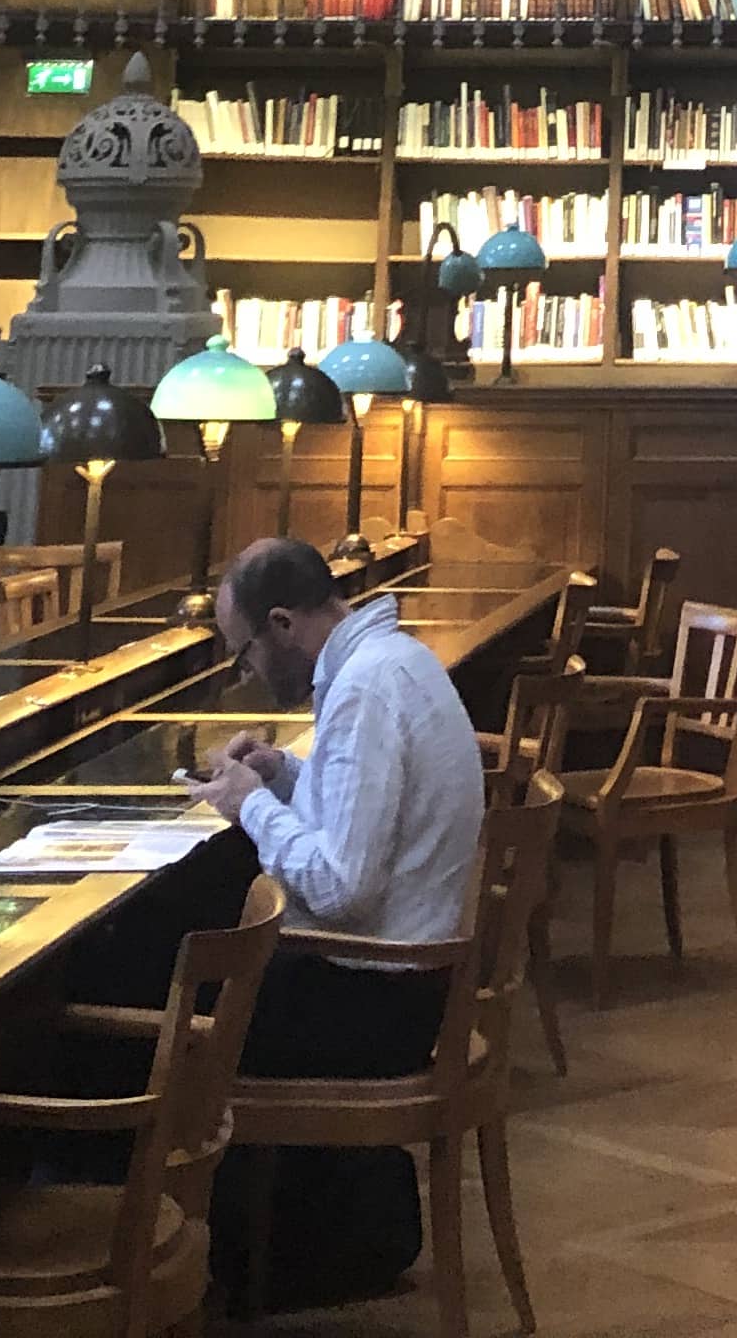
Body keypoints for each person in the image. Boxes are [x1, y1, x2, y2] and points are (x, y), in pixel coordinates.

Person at [189, 535, 486, 1300]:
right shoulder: (394, 660)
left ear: (283, 623)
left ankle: (199, 1269)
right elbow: (363, 818)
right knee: (189, 973)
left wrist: (249, 805)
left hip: (379, 1003)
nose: (246, 671)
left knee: (166, 1020)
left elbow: (345, 883)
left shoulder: (364, 688)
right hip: (409, 980)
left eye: (243, 651)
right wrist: (286, 775)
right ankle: (287, 1251)